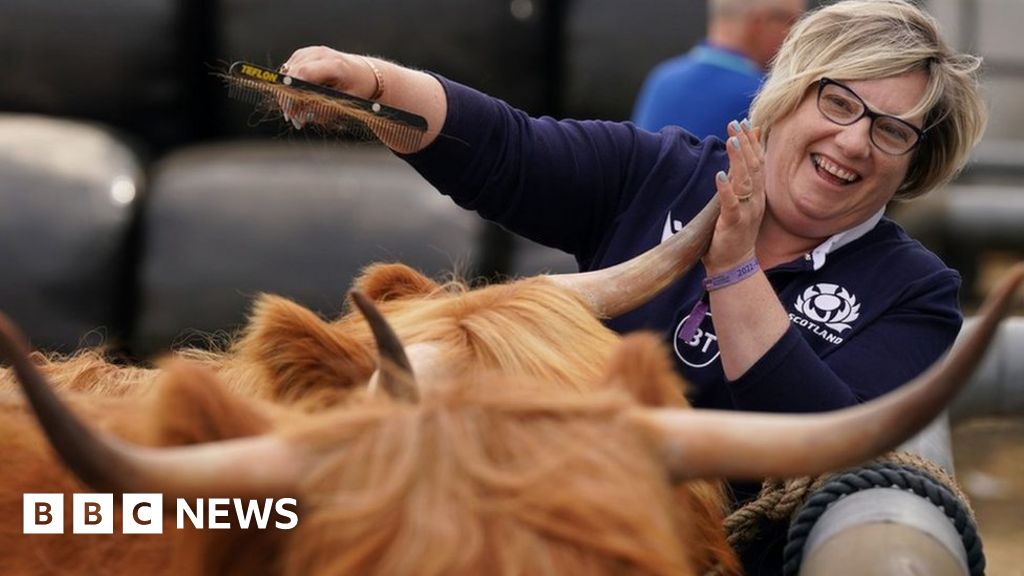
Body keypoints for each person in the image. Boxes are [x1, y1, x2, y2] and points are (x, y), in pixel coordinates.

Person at [280, 0, 986, 571]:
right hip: (538, 532)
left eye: (893, 132)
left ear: (914, 165)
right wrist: (371, 87)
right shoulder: (660, 172)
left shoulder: (915, 292)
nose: (856, 142)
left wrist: (734, 267)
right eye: (838, 103)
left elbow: (825, 443)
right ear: (789, 96)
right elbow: (505, 150)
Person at [632, 0, 806, 139]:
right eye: (792, 22)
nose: (795, 35)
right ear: (761, 23)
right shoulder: (765, 96)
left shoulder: (662, 78)